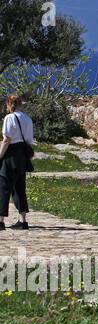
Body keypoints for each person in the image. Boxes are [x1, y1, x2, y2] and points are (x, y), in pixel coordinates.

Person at [0, 94, 35, 231]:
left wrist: (0, 155)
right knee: (20, 188)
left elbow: (7, 139)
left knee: (3, 187)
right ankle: (23, 220)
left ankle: (1, 221)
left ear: (9, 104)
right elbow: (29, 141)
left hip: (10, 154)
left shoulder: (10, 117)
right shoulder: (27, 119)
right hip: (22, 155)